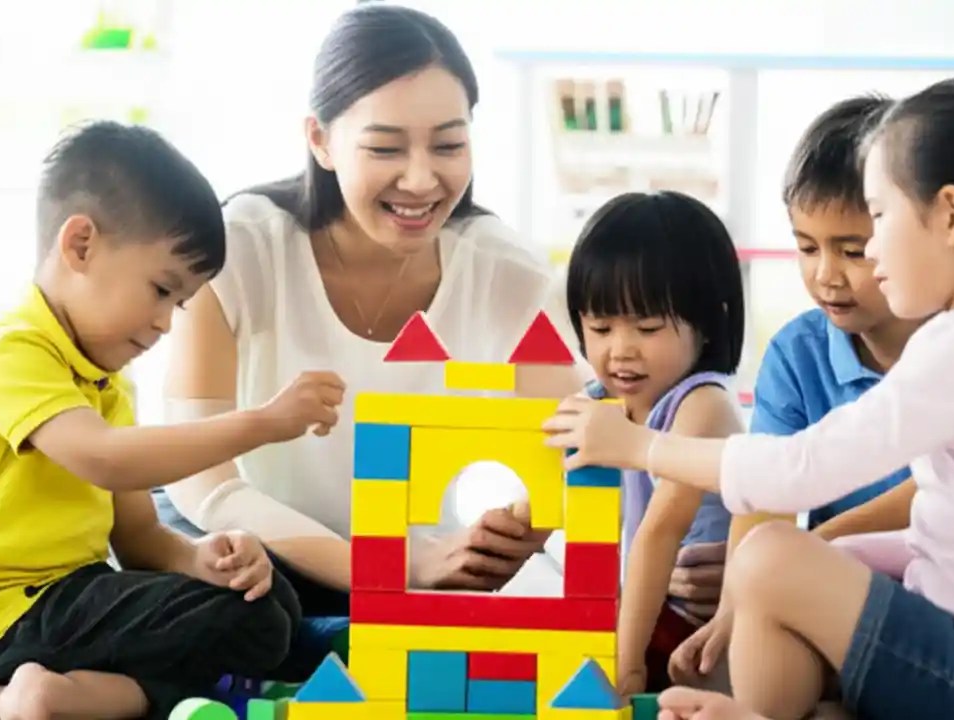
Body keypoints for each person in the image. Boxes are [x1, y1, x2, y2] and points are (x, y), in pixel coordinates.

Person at [545, 74, 954, 720]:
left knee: (769, 557)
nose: (873, 250)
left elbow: (797, 470)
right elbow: (949, 537)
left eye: (876, 221)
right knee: (775, 561)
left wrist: (641, 447)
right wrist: (821, 557)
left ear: (951, 216)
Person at [153, 1, 727, 651]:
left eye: (449, 145)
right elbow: (201, 479)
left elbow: (576, 451)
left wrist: (530, 537)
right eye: (385, 147)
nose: (422, 179)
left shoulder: (505, 274)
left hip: (415, 578)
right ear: (320, 139)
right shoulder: (238, 249)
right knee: (225, 613)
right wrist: (387, 568)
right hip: (244, 554)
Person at [0, 121, 346, 719]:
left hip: (63, 604)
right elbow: (106, 458)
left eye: (180, 303)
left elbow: (140, 538)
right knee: (249, 623)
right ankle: (23, 697)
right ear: (81, 245)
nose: (166, 322)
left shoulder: (105, 381)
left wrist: (205, 560)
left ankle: (53, 697)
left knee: (266, 591)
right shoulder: (13, 354)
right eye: (161, 290)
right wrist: (263, 422)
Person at [668, 94, 926, 688]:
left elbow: (934, 492)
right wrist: (734, 607)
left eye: (852, 251)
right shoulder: (798, 351)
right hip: (844, 597)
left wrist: (802, 551)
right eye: (807, 247)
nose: (825, 275)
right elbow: (763, 491)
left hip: (950, 586)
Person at [563, 191, 769, 696]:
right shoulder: (600, 402)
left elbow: (660, 531)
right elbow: (552, 490)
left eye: (648, 328)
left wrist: (627, 663)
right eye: (600, 327)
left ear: (708, 324)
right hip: (645, 608)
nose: (620, 350)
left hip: (698, 628)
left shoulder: (703, 404)